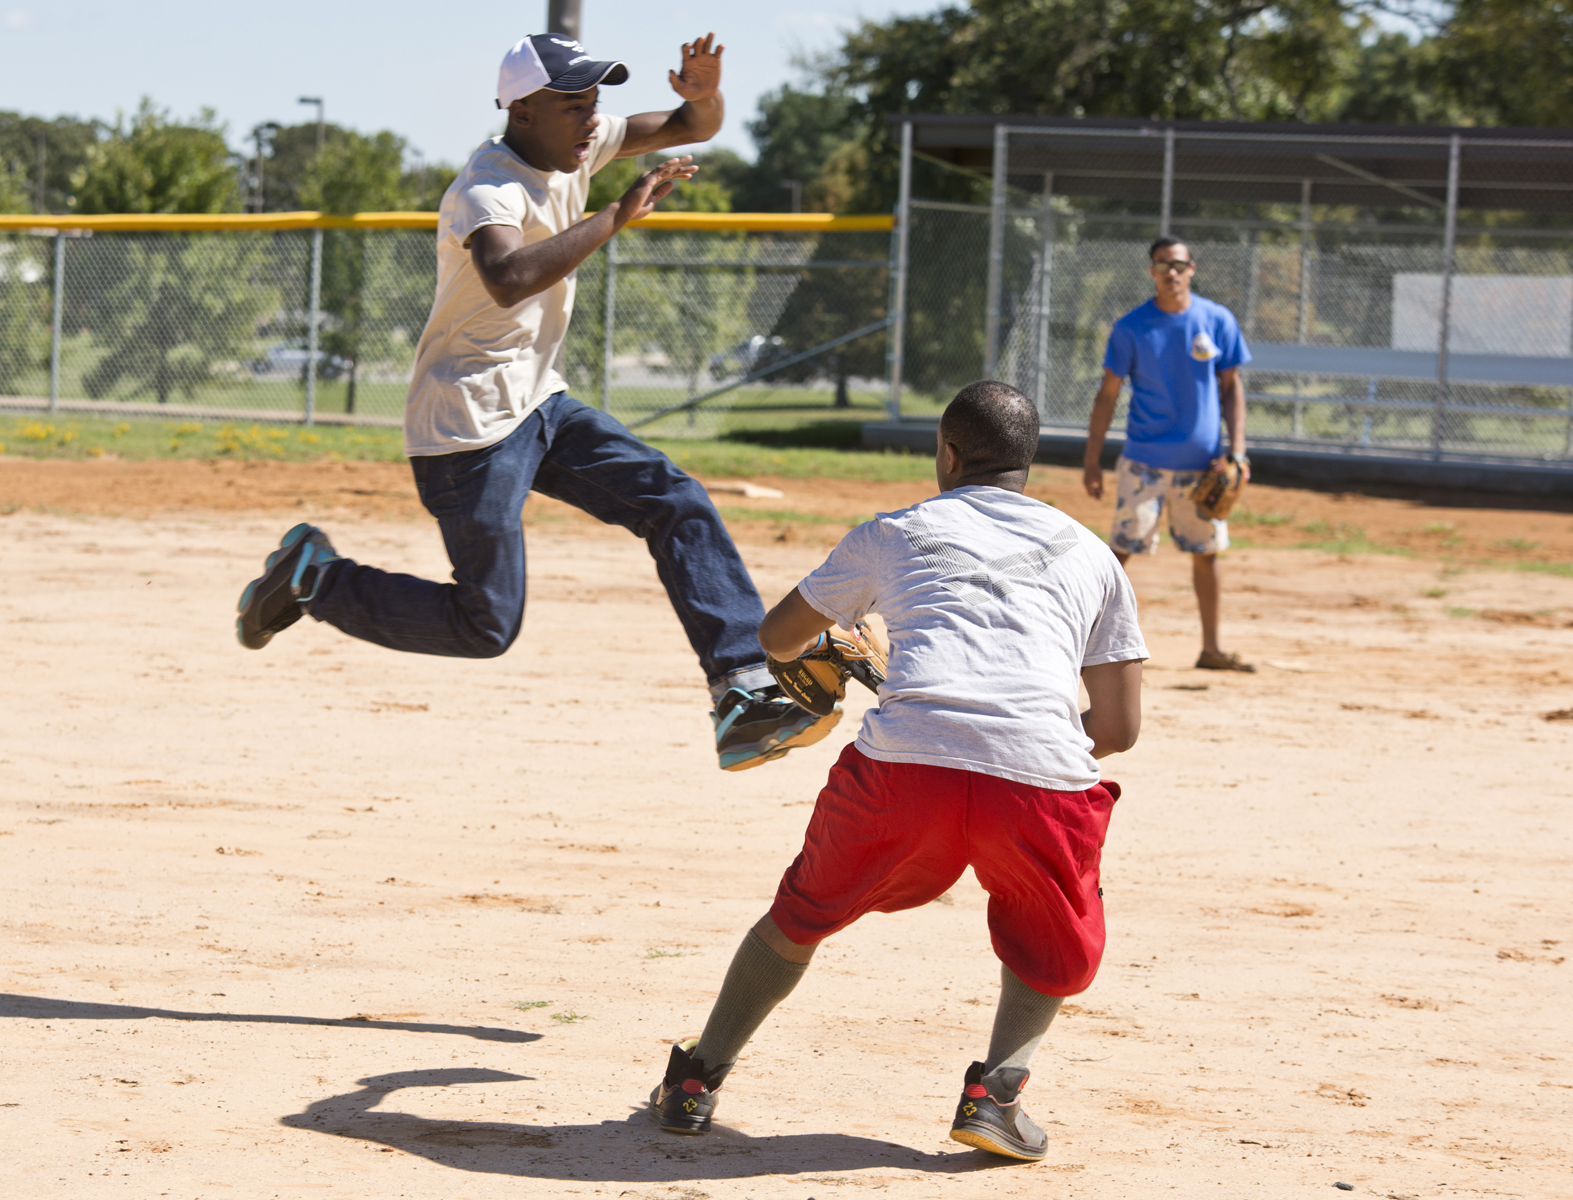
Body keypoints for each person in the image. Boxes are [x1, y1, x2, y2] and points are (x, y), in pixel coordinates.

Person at [235, 32, 834, 771]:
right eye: (572, 105)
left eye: (595, 103)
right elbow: (509, 276)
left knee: (673, 498)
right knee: (486, 625)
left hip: (540, 405)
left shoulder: (579, 146)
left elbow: (690, 127)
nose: (592, 120)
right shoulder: (486, 186)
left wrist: (702, 93)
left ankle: (740, 687)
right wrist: (615, 216)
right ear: (522, 110)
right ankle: (316, 578)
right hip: (467, 430)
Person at [645, 381, 1146, 1161]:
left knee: (802, 912)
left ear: (947, 454)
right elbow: (1117, 729)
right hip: (1043, 777)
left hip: (904, 768)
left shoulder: (895, 531)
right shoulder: (1092, 555)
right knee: (1054, 923)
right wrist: (1022, 735)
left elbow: (775, 638)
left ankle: (695, 1082)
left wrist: (848, 646)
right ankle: (995, 1098)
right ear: (1029, 462)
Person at [1083, 234, 1255, 672]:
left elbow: (1232, 387)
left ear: (1192, 269)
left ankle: (1211, 649)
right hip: (1143, 463)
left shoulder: (1216, 319)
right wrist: (1092, 459)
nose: (1171, 273)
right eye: (1162, 265)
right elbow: (1107, 395)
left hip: (1202, 466)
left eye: (1178, 265)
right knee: (1120, 552)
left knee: (1206, 553)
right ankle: (1080, 641)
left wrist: (1237, 451)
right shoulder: (1132, 327)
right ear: (1151, 272)